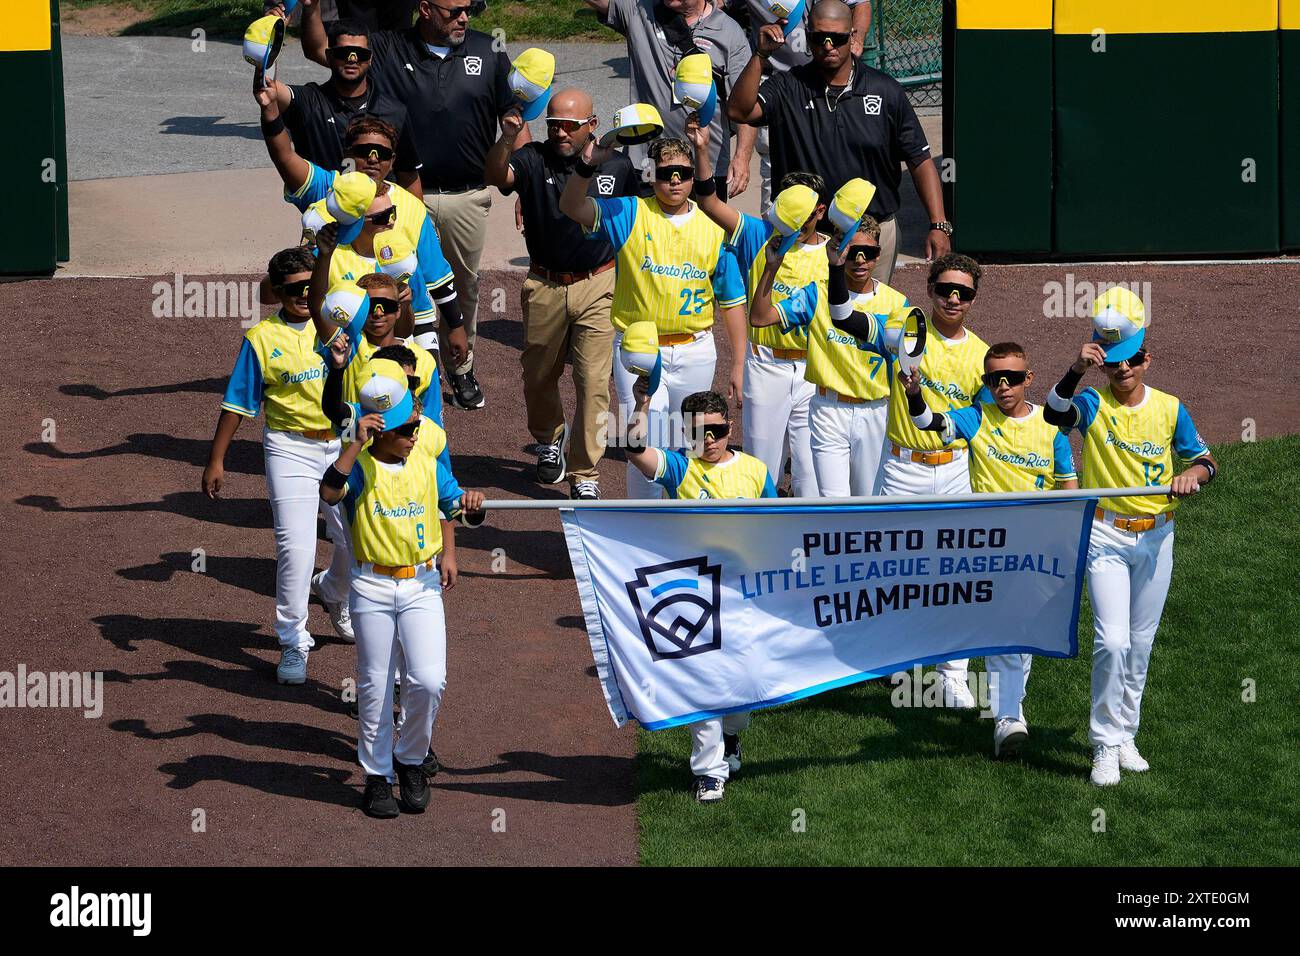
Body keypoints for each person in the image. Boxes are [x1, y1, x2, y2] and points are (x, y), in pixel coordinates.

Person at [303, 0, 532, 410]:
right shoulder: (390, 47)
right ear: (425, 9)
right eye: (454, 10)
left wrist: (527, 185)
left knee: (461, 288)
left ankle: (462, 366)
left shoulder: (489, 50)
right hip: (402, 196)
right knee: (398, 282)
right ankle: (396, 363)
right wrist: (310, 8)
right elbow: (324, 49)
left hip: (467, 195)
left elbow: (513, 119)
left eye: (470, 9)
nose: (464, 17)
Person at [1041, 289, 1218, 787]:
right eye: (1114, 364)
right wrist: (1076, 370)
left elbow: (1205, 461)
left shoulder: (1169, 408)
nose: (1124, 371)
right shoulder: (1093, 403)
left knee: (1139, 645)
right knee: (1113, 641)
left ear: (1146, 359)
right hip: (1105, 535)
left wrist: (1193, 477)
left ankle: (1125, 735)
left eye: (1132, 361)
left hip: (1158, 538)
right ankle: (1102, 743)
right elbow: (1055, 414)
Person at [318, 361, 485, 816]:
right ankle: (376, 776)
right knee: (374, 685)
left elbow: (454, 506)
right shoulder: (359, 468)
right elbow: (329, 494)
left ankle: (410, 759)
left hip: (423, 582)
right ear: (381, 433)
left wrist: (467, 515)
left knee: (428, 680)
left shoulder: (426, 462)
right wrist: (354, 445)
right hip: (370, 585)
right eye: (408, 427)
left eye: (415, 424)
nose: (417, 431)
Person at [900, 341, 1079, 758]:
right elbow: (931, 423)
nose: (1003, 386)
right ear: (985, 383)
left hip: (1038, 550)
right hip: (991, 548)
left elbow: (1070, 491)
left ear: (1028, 380)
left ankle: (1009, 709)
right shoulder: (978, 418)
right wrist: (913, 395)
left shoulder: (1052, 431)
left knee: (1024, 634)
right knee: (1006, 629)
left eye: (1013, 378)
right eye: (994, 379)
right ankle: (1008, 719)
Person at [830, 252, 991, 707]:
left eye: (963, 292)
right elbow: (842, 317)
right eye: (945, 289)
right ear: (931, 290)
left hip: (957, 471)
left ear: (974, 298)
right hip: (902, 468)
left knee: (959, 570)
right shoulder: (904, 332)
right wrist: (833, 267)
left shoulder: (982, 356)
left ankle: (953, 675)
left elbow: (984, 417)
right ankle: (896, 659)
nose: (953, 298)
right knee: (894, 566)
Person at [559, 134, 747, 499]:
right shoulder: (629, 212)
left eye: (682, 172)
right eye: (666, 173)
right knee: (643, 448)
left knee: (693, 448)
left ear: (693, 175)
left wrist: (739, 362)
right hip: (638, 353)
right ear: (651, 175)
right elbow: (571, 206)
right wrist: (587, 163)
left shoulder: (713, 227)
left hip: (696, 351)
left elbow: (732, 301)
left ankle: (686, 534)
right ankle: (643, 536)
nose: (674, 180)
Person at [204, 247, 353, 684]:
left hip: (343, 447)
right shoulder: (261, 339)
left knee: (355, 544)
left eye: (310, 287)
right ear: (277, 291)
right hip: (290, 448)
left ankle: (333, 592)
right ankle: (293, 642)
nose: (304, 296)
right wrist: (216, 459)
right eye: (292, 290)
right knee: (296, 550)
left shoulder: (341, 324)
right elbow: (237, 404)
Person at [485, 88, 639, 500]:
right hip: (544, 283)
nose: (559, 133)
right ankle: (550, 436)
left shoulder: (619, 165)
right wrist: (505, 138)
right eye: (553, 125)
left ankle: (585, 471)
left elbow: (641, 218)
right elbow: (497, 178)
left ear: (592, 125)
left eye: (569, 125)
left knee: (593, 382)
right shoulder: (533, 157)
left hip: (599, 283)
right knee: (538, 375)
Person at [728, 0, 952, 283]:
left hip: (871, 233)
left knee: (868, 319)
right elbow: (739, 110)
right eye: (820, 38)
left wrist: (938, 224)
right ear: (808, 39)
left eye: (838, 38)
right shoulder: (788, 86)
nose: (829, 45)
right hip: (808, 236)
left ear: (853, 36)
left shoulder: (886, 90)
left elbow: (919, 160)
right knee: (808, 323)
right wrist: (760, 55)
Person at [625, 382, 775, 800]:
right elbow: (633, 449)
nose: (708, 441)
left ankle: (732, 737)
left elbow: (779, 526)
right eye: (698, 432)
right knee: (705, 680)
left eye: (717, 431)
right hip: (695, 593)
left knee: (746, 685)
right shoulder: (679, 467)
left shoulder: (756, 471)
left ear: (730, 427)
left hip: (744, 594)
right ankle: (709, 771)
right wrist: (642, 403)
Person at [255, 76, 463, 359]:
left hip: (401, 328)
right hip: (337, 332)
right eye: (364, 151)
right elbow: (284, 156)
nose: (374, 158)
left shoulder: (411, 208)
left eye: (383, 153)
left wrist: (454, 327)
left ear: (393, 160)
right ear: (348, 154)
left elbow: (436, 277)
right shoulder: (327, 187)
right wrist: (270, 112)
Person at [687, 116, 821, 497]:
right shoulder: (760, 234)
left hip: (814, 368)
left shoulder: (833, 255)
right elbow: (708, 201)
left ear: (819, 212)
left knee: (810, 474)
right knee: (762, 469)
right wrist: (701, 151)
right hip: (766, 365)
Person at [753, 215, 908, 498]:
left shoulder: (897, 303)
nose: (860, 260)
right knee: (832, 499)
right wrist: (771, 268)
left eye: (868, 253)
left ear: (879, 254)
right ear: (838, 251)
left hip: (875, 411)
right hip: (828, 409)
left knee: (867, 501)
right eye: (852, 252)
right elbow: (761, 318)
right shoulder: (816, 294)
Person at [583, 0, 756, 199]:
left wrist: (742, 158)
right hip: (647, 163)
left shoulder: (730, 32)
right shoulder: (640, 12)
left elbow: (745, 105)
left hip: (705, 164)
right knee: (645, 229)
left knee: (703, 230)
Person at [734, 0, 872, 210]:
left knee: (842, 155)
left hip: (828, 78)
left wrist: (857, 39)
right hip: (779, 84)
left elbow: (860, 3)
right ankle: (782, 231)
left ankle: (844, 224)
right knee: (778, 169)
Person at [258, 11, 421, 183]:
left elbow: (409, 177)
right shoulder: (309, 101)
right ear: (329, 56)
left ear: (371, 58)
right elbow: (267, 89)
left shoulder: (394, 111)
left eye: (361, 54)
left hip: (379, 207)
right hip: (323, 206)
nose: (352, 59)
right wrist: (272, 38)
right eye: (344, 52)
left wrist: (418, 211)